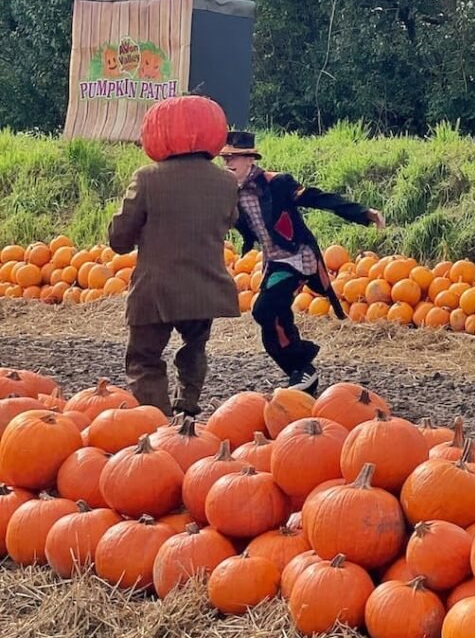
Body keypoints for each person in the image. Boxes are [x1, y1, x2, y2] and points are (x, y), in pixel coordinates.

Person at [220, 131, 386, 394]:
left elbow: (316, 198)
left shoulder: (277, 183)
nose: (228, 163)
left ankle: (301, 365)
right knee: (268, 314)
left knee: (266, 308)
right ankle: (300, 372)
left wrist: (363, 213)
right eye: (225, 158)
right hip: (274, 261)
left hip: (298, 257)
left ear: (250, 159)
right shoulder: (227, 191)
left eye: (234, 158)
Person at [108, 120, 241, 417]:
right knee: (195, 346)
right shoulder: (226, 181)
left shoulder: (146, 178)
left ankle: (157, 419)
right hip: (205, 285)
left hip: (156, 288)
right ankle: (188, 403)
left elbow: (120, 240)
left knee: (143, 358)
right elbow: (230, 220)